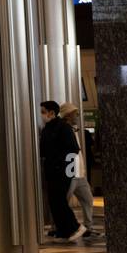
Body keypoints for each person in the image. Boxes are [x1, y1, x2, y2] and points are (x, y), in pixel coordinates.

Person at [40, 100, 83, 241]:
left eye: (43, 112)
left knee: (59, 200)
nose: (42, 115)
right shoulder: (47, 129)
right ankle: (63, 230)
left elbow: (73, 149)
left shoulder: (63, 127)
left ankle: (75, 227)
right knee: (54, 201)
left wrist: (66, 168)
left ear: (52, 112)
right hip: (51, 171)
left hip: (62, 171)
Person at [60, 103, 99, 238]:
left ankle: (88, 227)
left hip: (79, 172)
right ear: (68, 115)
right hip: (71, 172)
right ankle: (58, 227)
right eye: (75, 114)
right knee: (63, 202)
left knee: (88, 199)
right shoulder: (64, 129)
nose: (77, 116)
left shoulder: (74, 129)